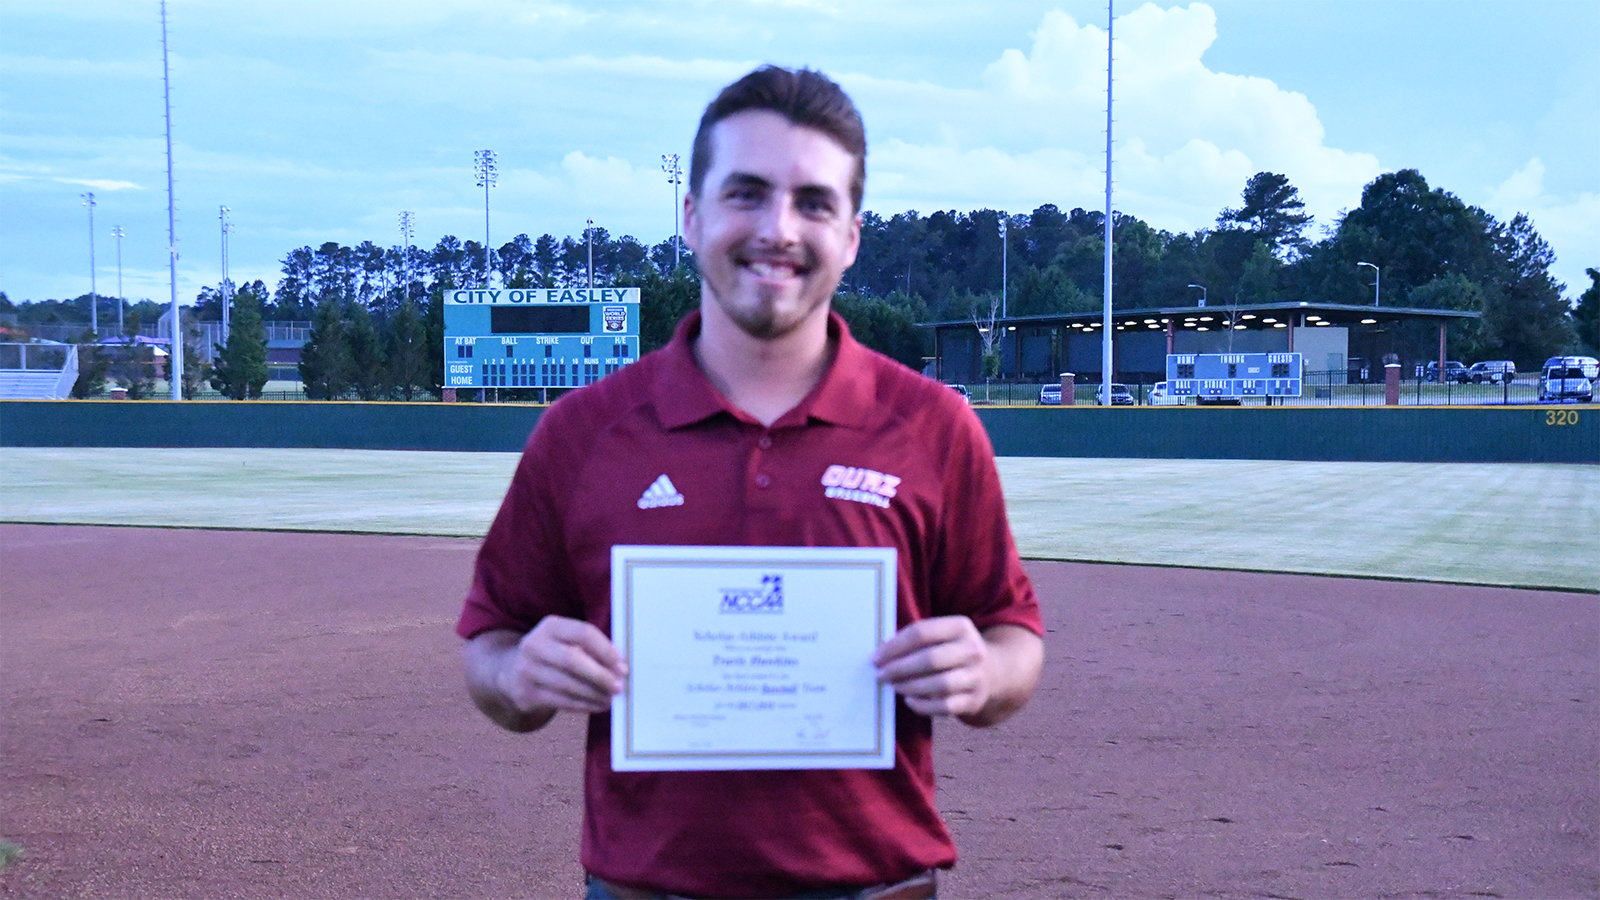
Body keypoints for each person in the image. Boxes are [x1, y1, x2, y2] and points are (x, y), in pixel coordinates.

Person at [457, 65, 1044, 900]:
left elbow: (1015, 635)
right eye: (746, 193)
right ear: (692, 216)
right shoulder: (583, 433)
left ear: (852, 236)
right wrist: (518, 675)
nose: (778, 229)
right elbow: (489, 641)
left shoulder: (934, 427)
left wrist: (984, 673)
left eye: (814, 203)